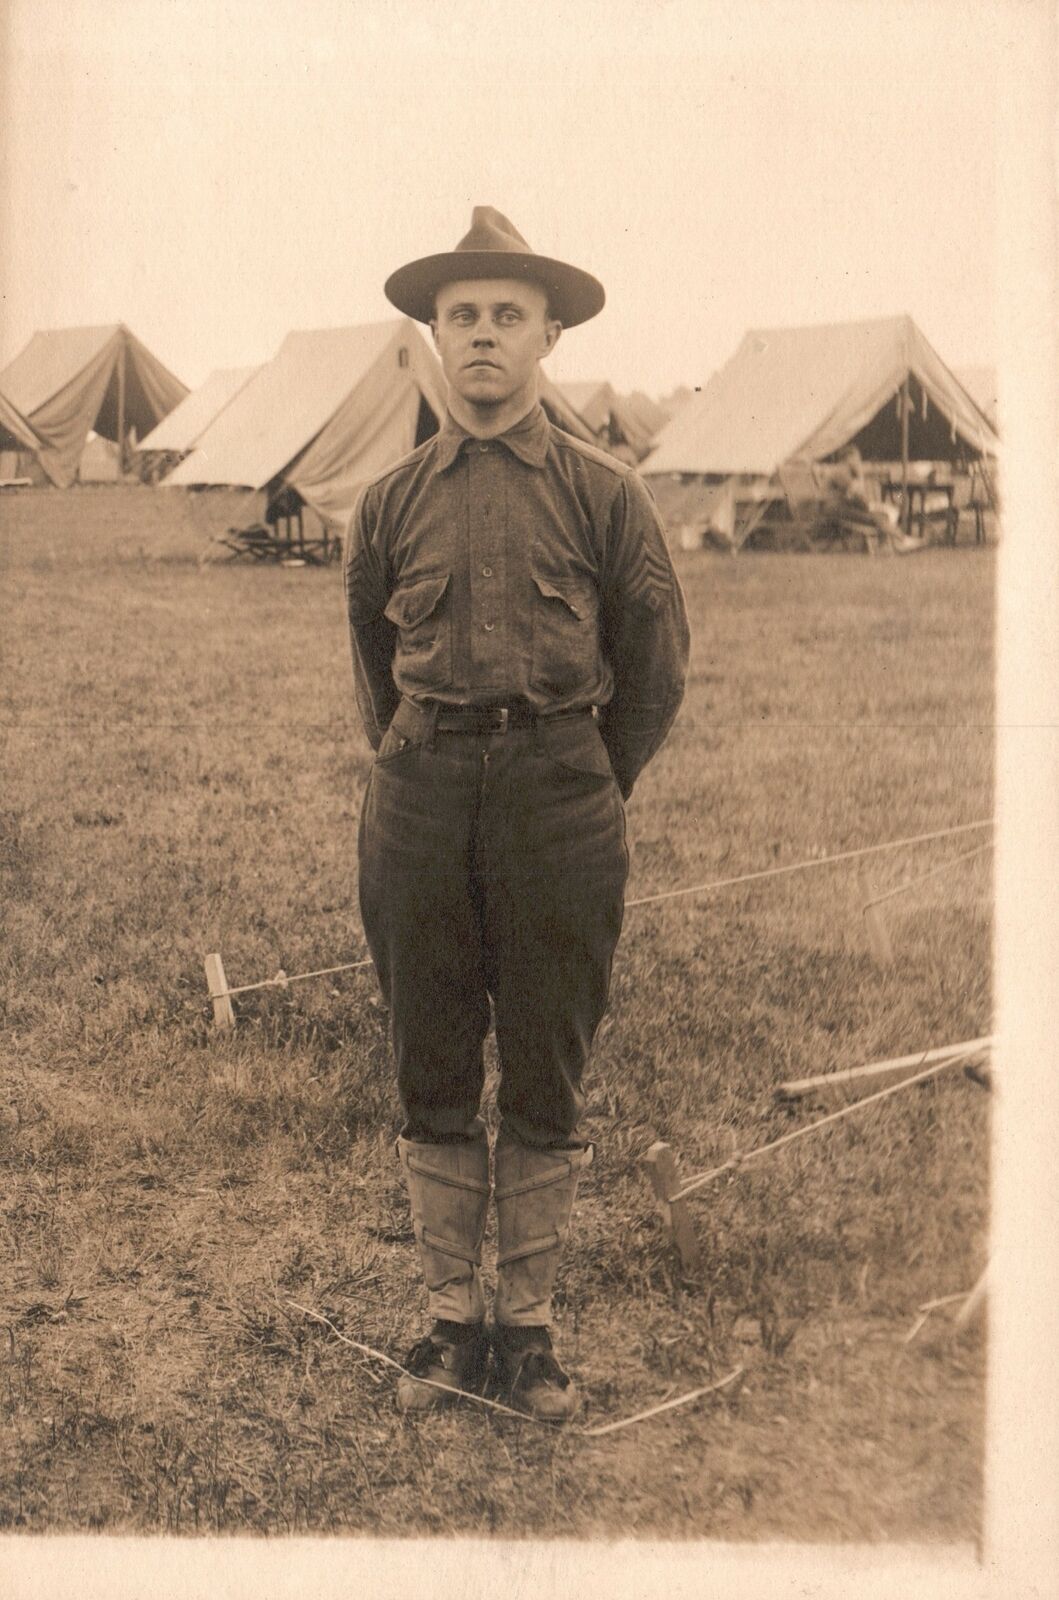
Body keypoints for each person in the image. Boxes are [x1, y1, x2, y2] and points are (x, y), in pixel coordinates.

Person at [343, 208, 689, 1423]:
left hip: (560, 799)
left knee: (547, 1062)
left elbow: (654, 665)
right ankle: (451, 1325)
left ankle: (528, 1335)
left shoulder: (607, 494)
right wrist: (422, 765)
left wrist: (582, 778)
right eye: (462, 316)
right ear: (434, 337)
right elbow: (373, 665)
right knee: (430, 1058)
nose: (483, 335)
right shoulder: (388, 501)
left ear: (549, 334)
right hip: (421, 796)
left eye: (506, 315)